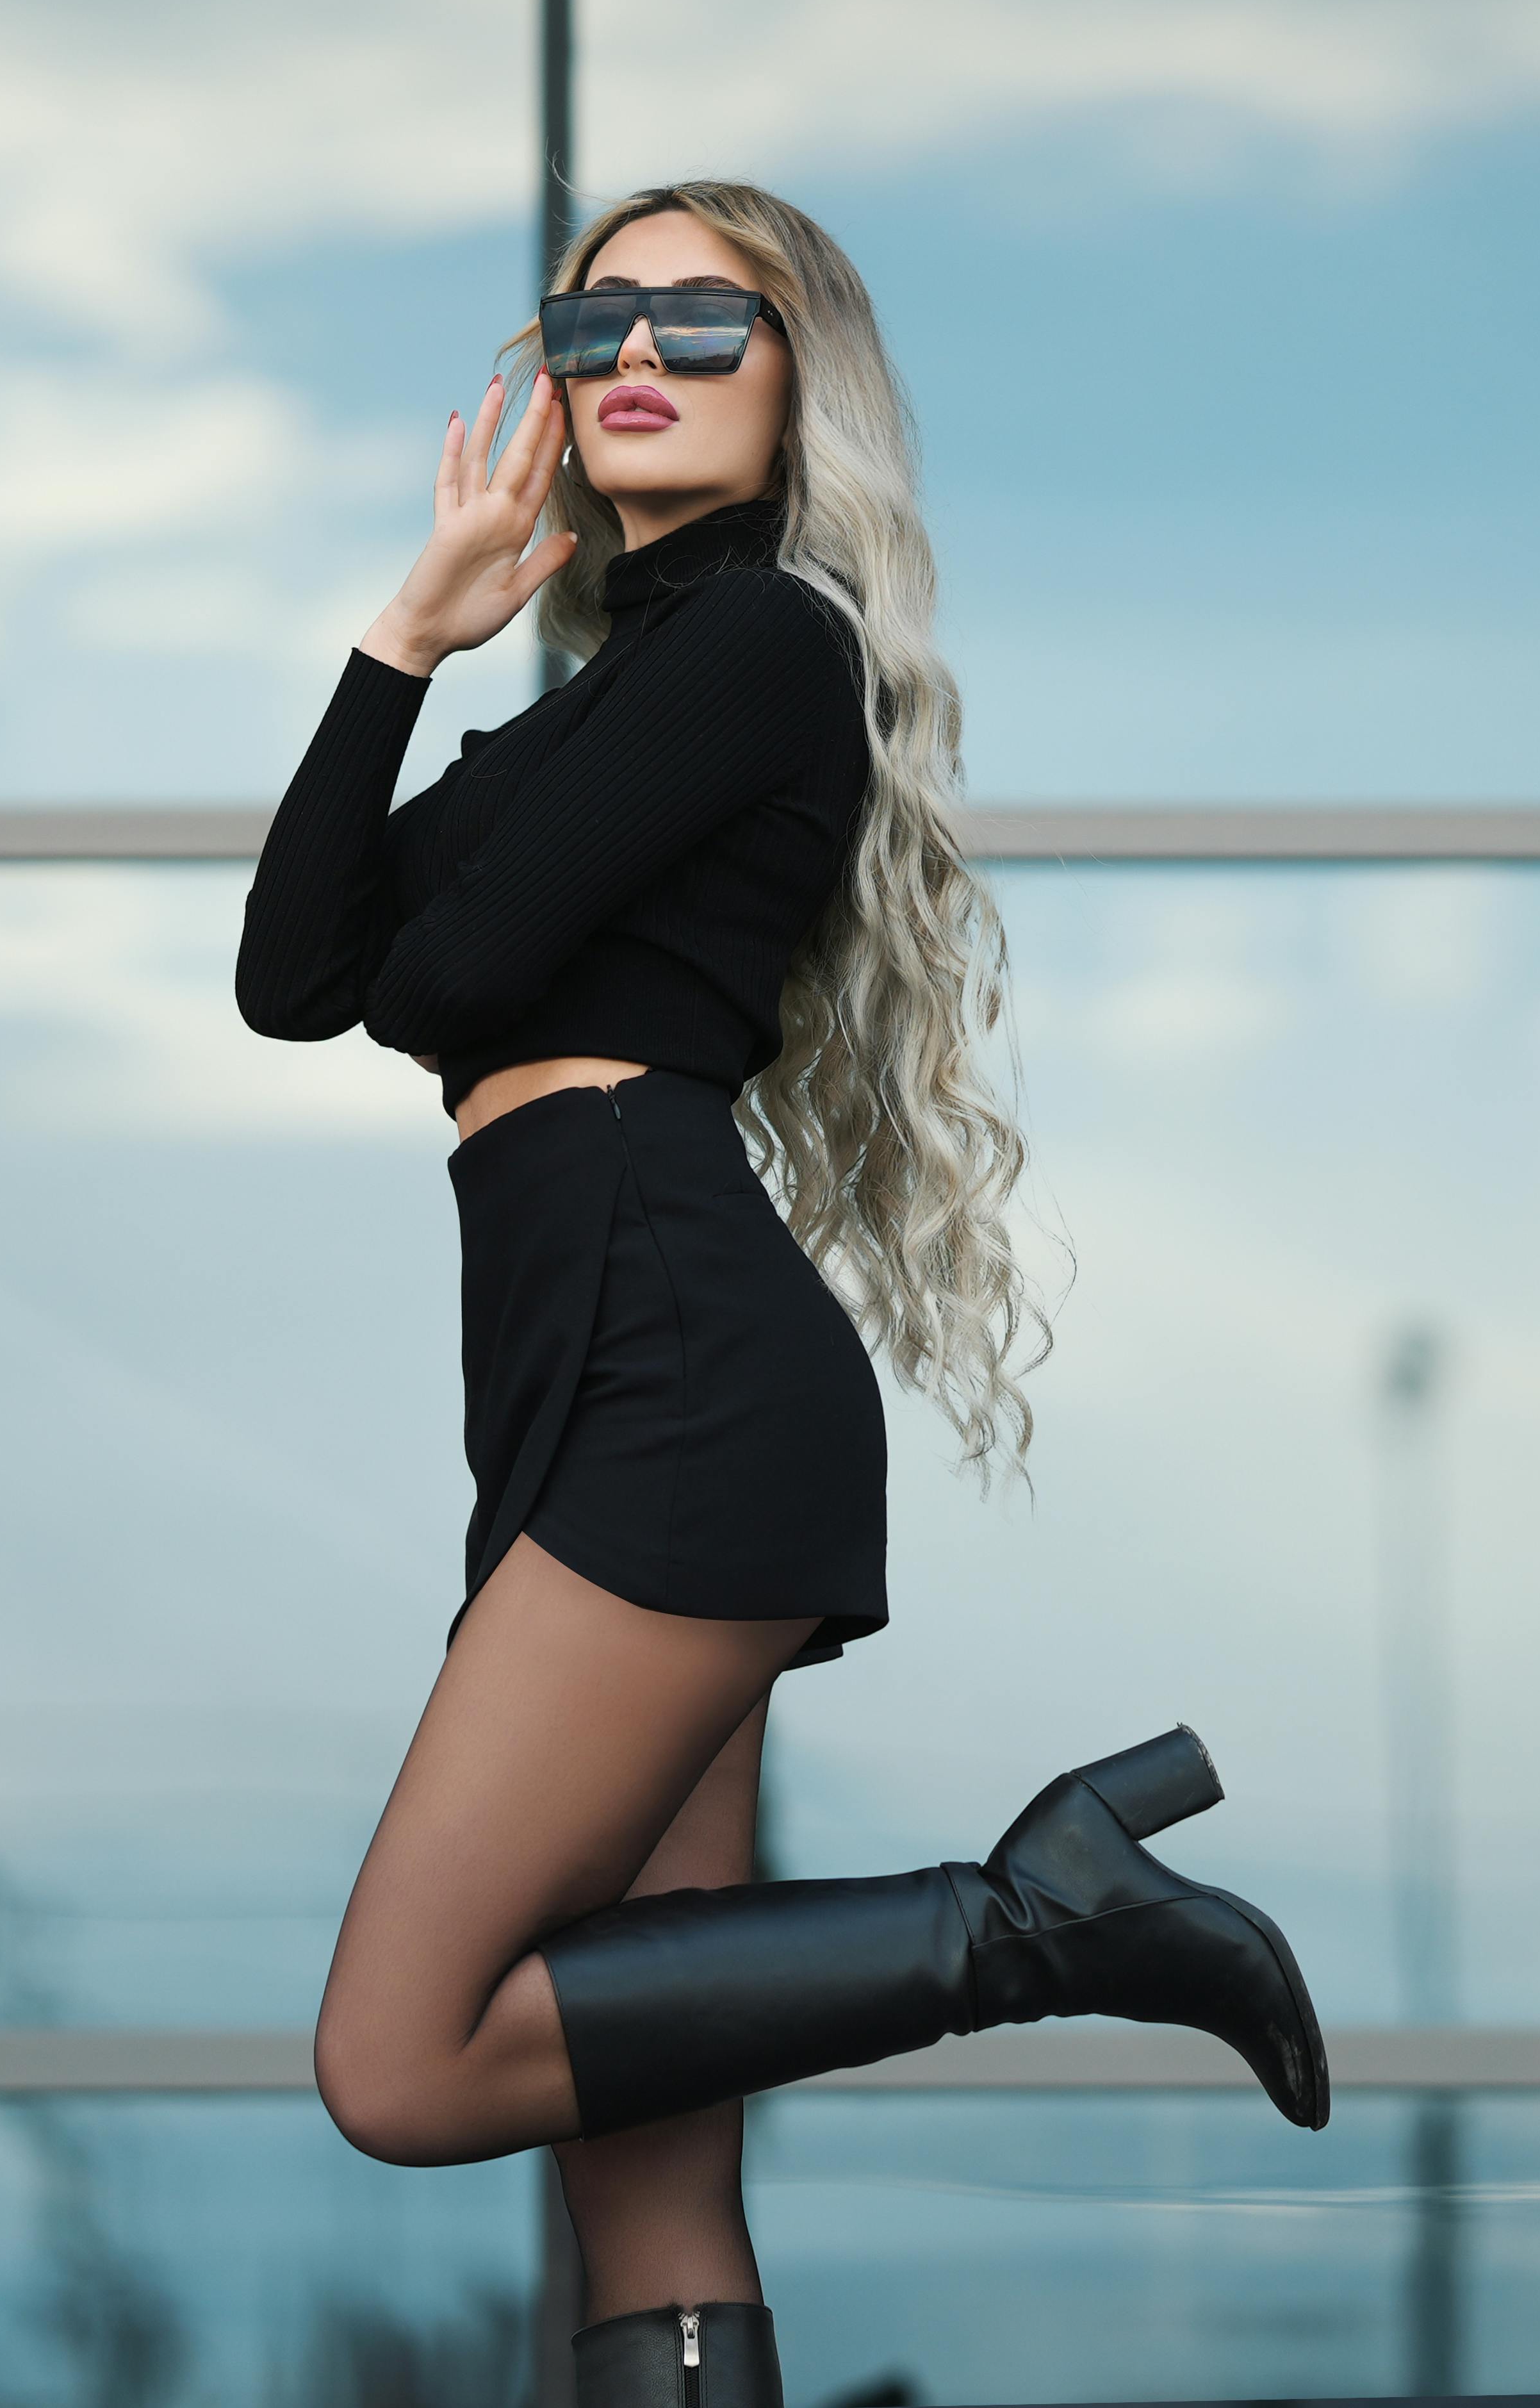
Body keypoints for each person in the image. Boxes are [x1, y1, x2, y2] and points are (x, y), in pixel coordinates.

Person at [234, 180, 1327, 2408]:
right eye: (596, 316)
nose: (634, 351)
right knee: (649, 2195)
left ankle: (1033, 1921)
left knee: (404, 2057)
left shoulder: (759, 648)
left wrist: (443, 736)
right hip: (598, 1368)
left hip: (667, 1372)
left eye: (702, 324)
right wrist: (411, 634)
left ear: (801, 376)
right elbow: (295, 976)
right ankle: (1024, 1926)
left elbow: (436, 972)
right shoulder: (620, 688)